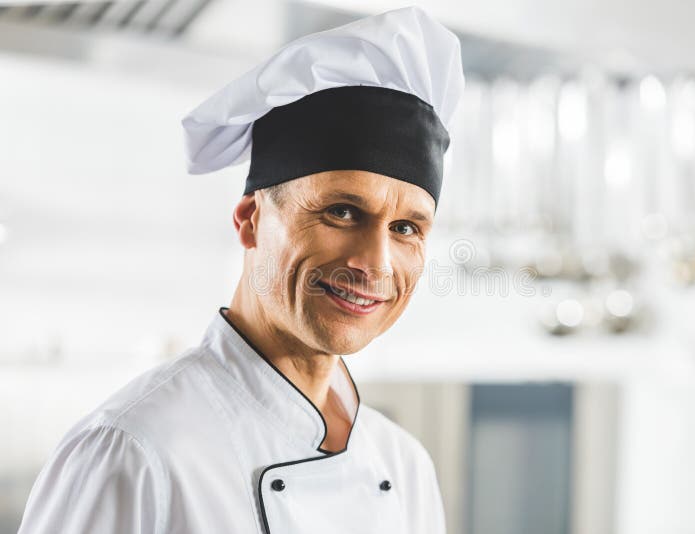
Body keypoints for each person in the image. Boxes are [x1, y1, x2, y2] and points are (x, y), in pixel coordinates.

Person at [16, 5, 464, 533]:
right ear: (251, 220)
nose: (375, 264)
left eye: (407, 228)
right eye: (342, 212)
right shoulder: (135, 452)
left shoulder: (404, 467)